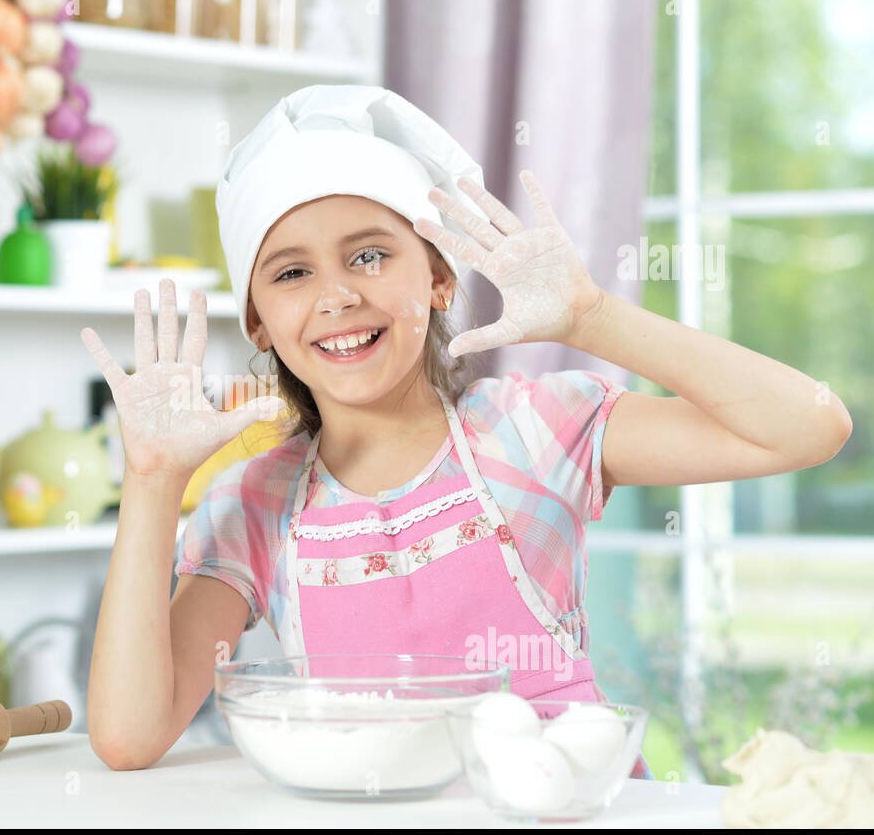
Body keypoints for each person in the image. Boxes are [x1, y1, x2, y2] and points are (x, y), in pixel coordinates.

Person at [79, 85, 853, 776]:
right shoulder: (256, 500)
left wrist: (593, 317)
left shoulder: (534, 431)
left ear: (441, 276)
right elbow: (130, 736)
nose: (337, 295)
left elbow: (808, 426)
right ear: (260, 319)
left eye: (371, 254)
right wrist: (152, 482)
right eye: (291, 273)